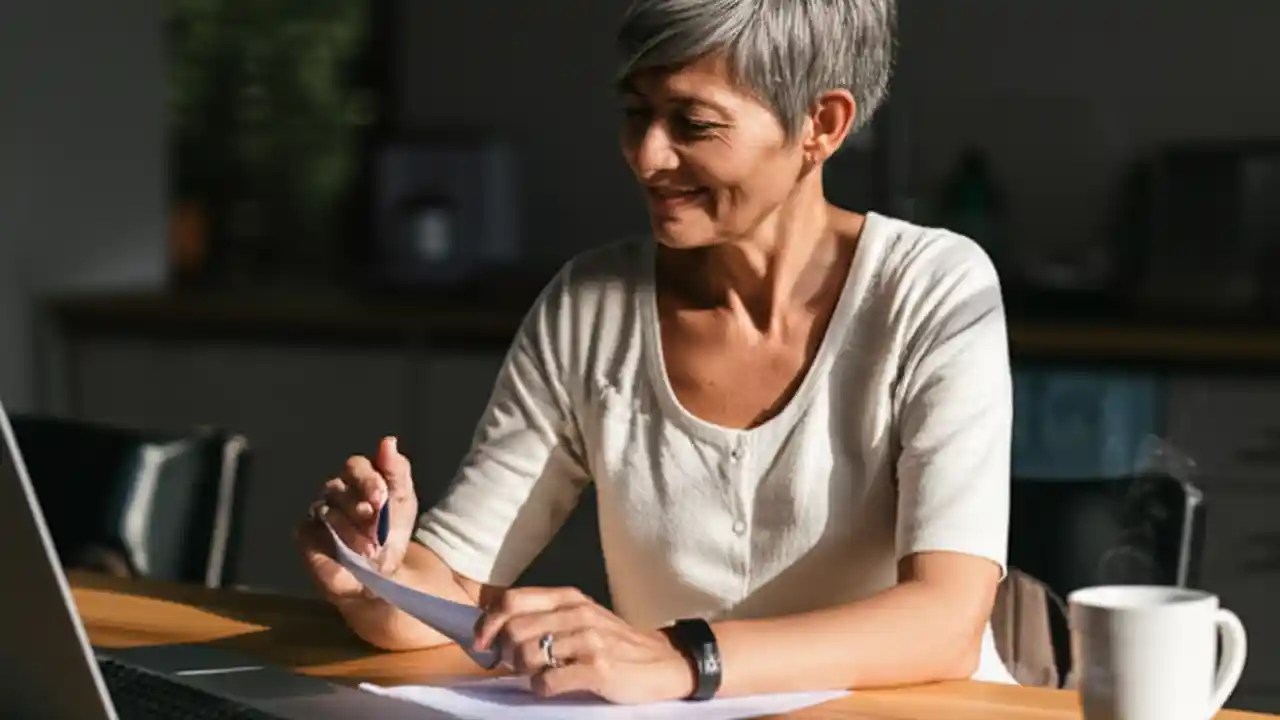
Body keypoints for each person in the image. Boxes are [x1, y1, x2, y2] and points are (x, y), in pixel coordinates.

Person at [297, 0, 1017, 704]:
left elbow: (945, 622)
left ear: (820, 126)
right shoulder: (590, 307)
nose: (646, 156)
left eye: (694, 124)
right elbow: (451, 588)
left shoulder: (931, 289)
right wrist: (377, 579)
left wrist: (681, 657)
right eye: (637, 112)